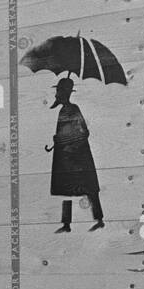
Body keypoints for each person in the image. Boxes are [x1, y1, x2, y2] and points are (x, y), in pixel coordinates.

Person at [45, 77, 104, 232]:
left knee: (89, 187)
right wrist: (57, 141)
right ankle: (66, 223)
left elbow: (84, 131)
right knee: (65, 189)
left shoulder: (74, 109)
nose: (57, 95)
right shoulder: (62, 111)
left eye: (60, 92)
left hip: (78, 155)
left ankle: (99, 219)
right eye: (57, 92)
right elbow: (62, 132)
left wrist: (72, 146)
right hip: (64, 156)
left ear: (66, 93)